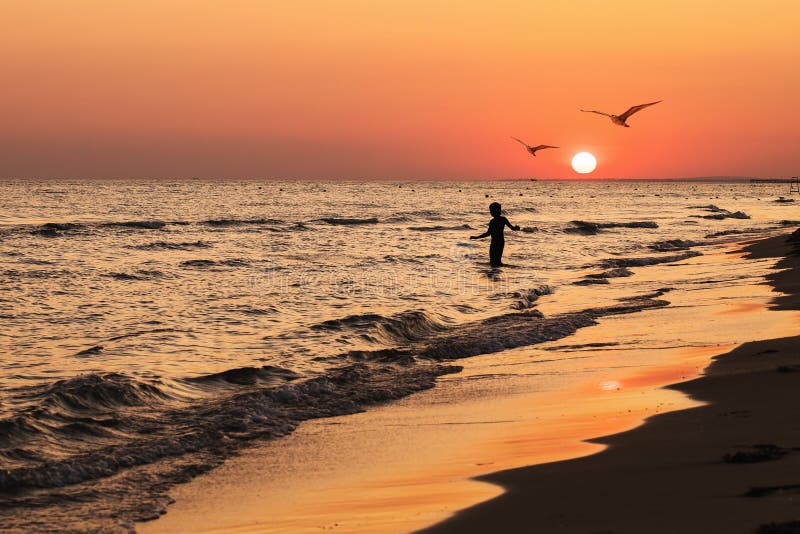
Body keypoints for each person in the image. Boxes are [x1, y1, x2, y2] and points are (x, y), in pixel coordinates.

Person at [470, 202, 520, 267]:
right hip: (501, 242)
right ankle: (497, 272)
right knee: (498, 260)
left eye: (491, 211)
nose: (490, 212)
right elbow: (512, 228)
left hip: (494, 242)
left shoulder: (493, 221)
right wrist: (517, 228)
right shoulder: (503, 219)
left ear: (495, 211)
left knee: (493, 261)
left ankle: (494, 273)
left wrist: (476, 237)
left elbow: (488, 233)